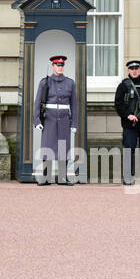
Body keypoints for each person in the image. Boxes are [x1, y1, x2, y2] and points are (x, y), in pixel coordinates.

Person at [33, 54, 78, 185]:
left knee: (63, 149)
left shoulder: (70, 83)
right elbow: (37, 102)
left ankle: (62, 178)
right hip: (49, 118)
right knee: (47, 148)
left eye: (62, 65)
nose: (60, 67)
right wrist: (37, 120)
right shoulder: (45, 82)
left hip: (64, 119)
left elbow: (74, 105)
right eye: (58, 65)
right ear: (53, 66)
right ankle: (46, 177)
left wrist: (74, 123)